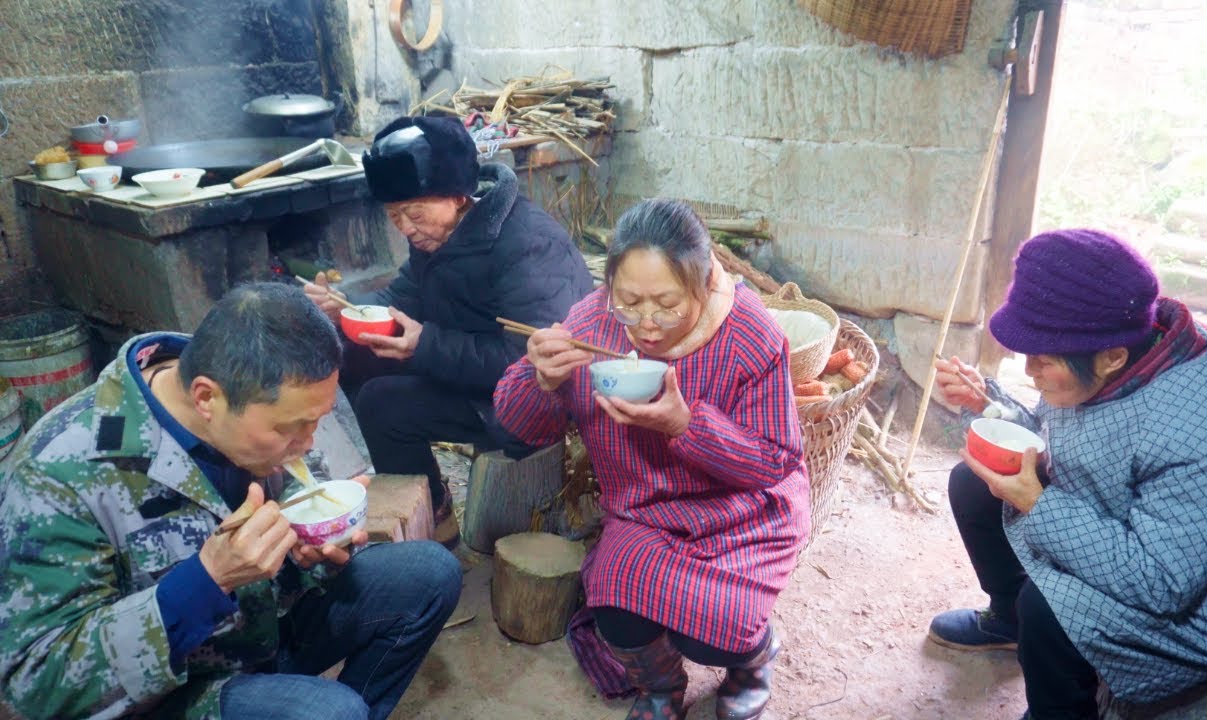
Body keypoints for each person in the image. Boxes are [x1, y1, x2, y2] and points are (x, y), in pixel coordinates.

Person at [0, 283, 462, 720]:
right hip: (171, 690)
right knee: (330, 712)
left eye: (316, 421)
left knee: (428, 572)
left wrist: (311, 546)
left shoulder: (260, 386)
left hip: (262, 630)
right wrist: (207, 581)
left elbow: (300, 484)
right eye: (291, 428)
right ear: (206, 399)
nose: (308, 443)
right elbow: (37, 685)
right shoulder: (61, 470)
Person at [926, 229, 1207, 719]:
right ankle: (1008, 624)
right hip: (1143, 524)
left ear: (1112, 357)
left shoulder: (1202, 430)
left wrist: (1040, 503)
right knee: (973, 485)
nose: (1029, 371)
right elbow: (1059, 435)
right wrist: (987, 404)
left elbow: (1162, 582)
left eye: (1042, 361)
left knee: (1049, 609)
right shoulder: (1118, 350)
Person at [494, 198, 810, 720]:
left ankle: (752, 661)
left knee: (717, 632)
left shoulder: (750, 335)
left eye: (666, 302)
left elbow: (776, 460)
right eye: (629, 300)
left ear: (705, 282)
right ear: (610, 284)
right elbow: (525, 426)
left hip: (745, 511)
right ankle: (661, 688)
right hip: (646, 509)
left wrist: (686, 426)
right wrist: (541, 380)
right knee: (616, 597)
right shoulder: (592, 323)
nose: (645, 323)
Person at [304, 114, 593, 548]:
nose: (404, 227)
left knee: (383, 404)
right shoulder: (440, 234)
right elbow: (403, 297)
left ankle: (433, 518)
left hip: (529, 403)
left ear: (458, 195)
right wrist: (343, 306)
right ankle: (430, 504)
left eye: (413, 213)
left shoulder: (527, 245)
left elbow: (529, 364)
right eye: (394, 215)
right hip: (473, 373)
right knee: (352, 351)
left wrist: (425, 345)